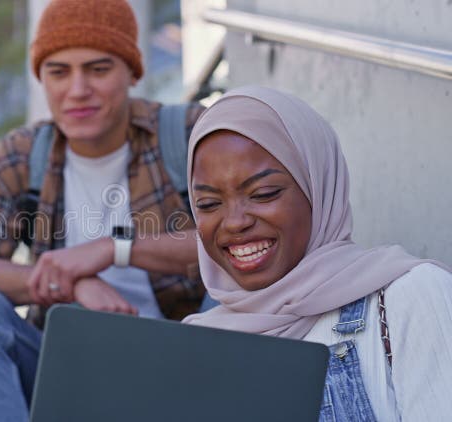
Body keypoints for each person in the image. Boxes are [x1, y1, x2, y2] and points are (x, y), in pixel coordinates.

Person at [0, 0, 207, 420]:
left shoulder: (187, 135)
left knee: (235, 299)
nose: (77, 90)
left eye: (98, 69)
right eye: (59, 72)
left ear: (132, 71)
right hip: (66, 364)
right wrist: (69, 283)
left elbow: (247, 240)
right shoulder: (22, 156)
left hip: (187, 359)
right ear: (42, 78)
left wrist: (115, 249)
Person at [182, 86, 452, 421]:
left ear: (319, 188)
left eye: (264, 193)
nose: (235, 222)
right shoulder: (194, 343)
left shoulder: (409, 300)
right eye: (209, 204)